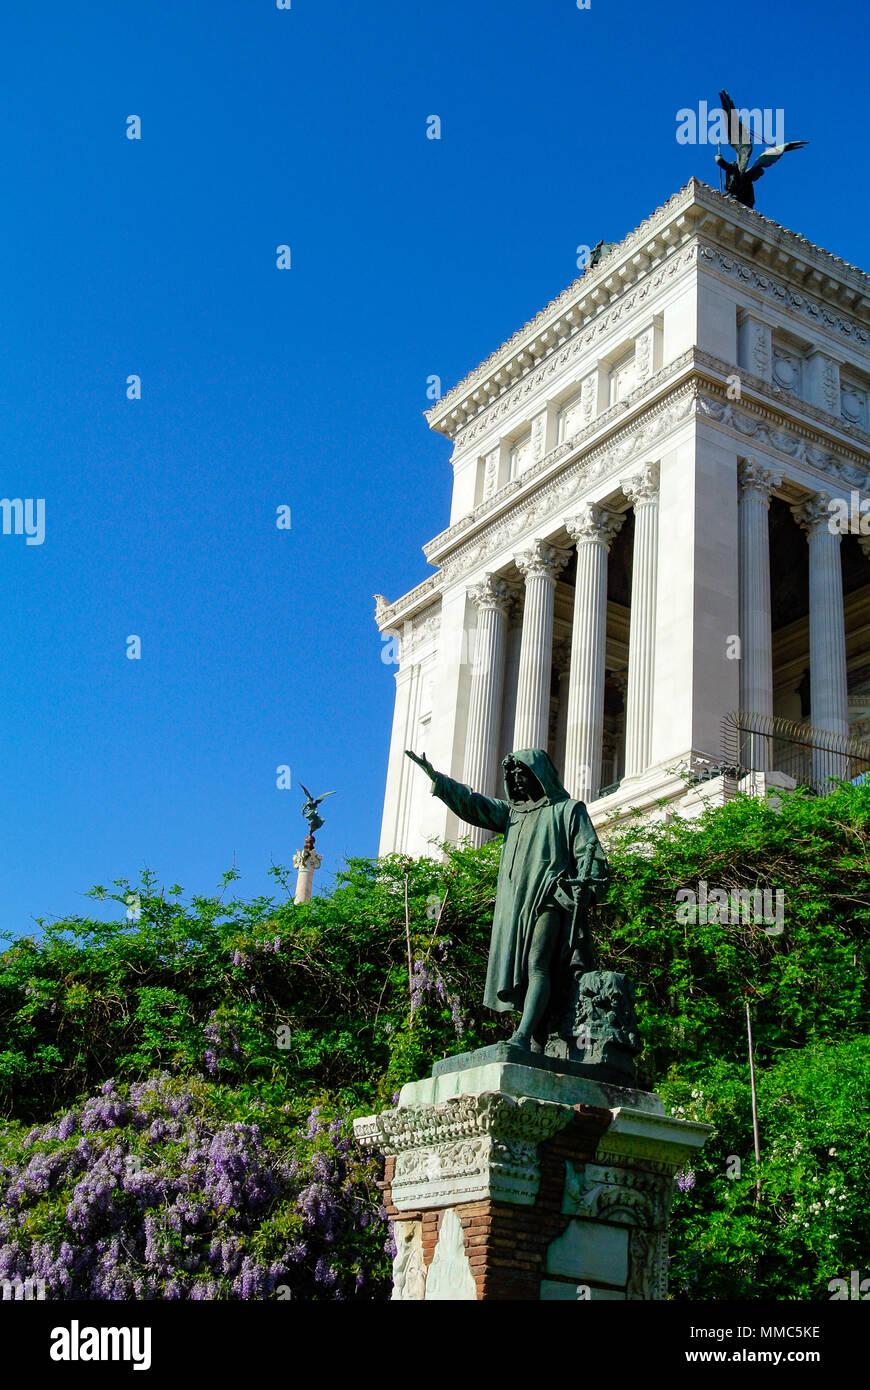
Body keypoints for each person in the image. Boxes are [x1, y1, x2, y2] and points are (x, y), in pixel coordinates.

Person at [405, 747, 608, 1051]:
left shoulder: (567, 810)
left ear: (539, 774)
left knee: (538, 964)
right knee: (527, 972)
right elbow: (475, 805)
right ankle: (538, 1042)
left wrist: (586, 884)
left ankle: (523, 1037)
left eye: (523, 773)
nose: (517, 780)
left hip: (550, 897)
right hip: (515, 905)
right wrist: (440, 780)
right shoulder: (513, 814)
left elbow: (590, 855)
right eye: (512, 775)